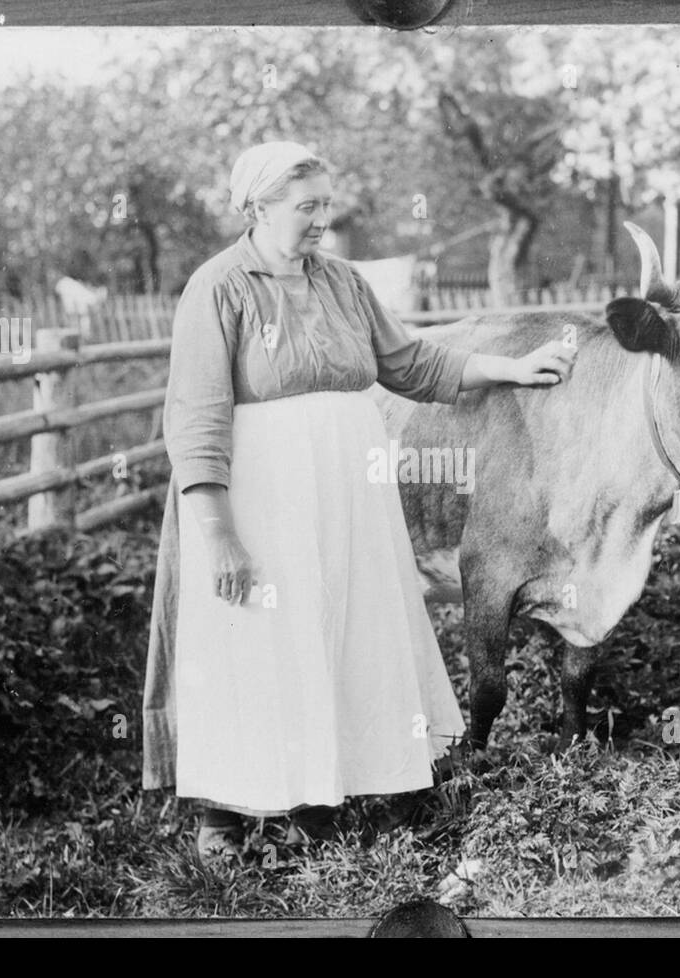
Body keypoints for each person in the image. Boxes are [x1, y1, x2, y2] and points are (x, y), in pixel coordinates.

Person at [141, 140, 575, 857]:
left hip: (347, 491)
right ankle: (224, 810)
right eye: (306, 207)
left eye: (325, 206)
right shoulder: (218, 286)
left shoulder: (341, 282)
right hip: (259, 494)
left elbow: (408, 363)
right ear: (257, 207)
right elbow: (195, 417)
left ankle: (320, 794)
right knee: (253, 638)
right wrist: (217, 531)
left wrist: (514, 366)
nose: (321, 221)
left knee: (339, 628)